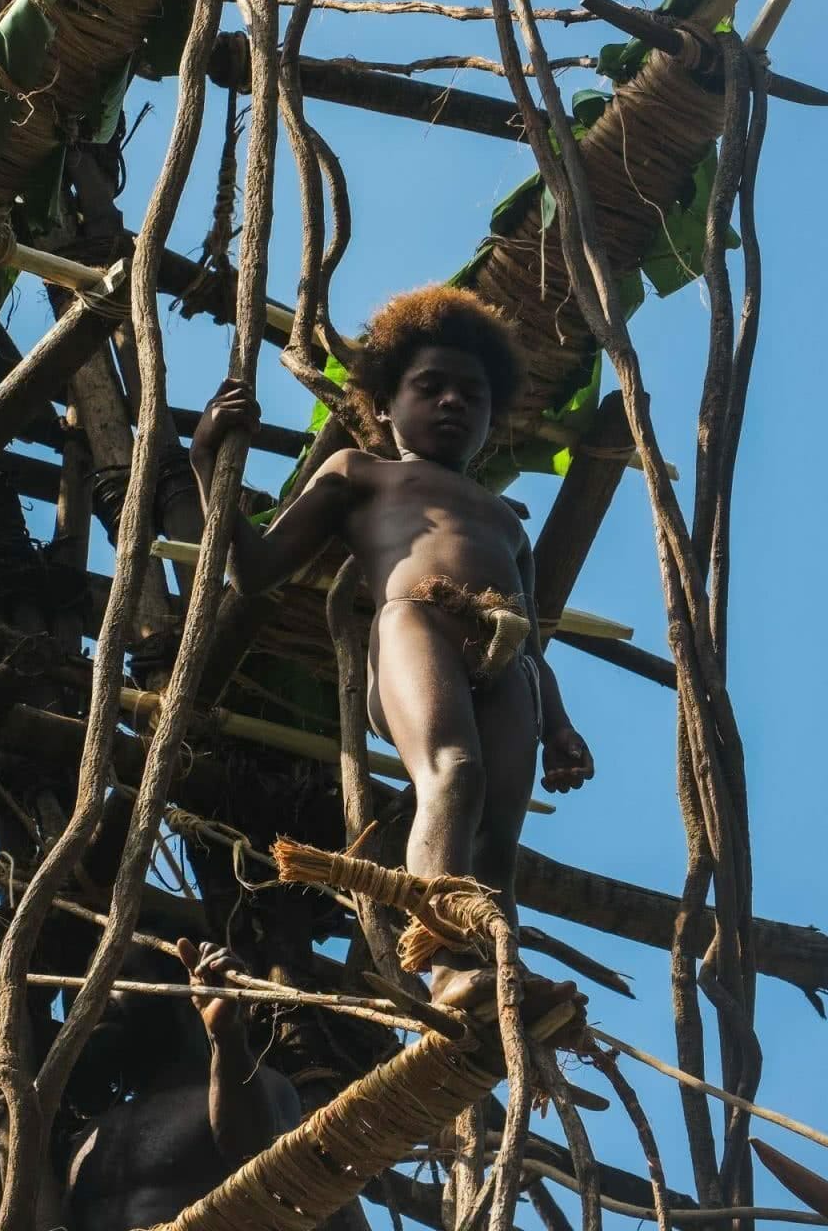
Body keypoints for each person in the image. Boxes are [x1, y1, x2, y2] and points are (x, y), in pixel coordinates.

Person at [190, 285, 594, 1010]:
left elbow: (533, 640)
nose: (451, 403)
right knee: (455, 773)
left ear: (492, 419)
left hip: (504, 653)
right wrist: (205, 461)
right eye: (429, 387)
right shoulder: (358, 474)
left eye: (471, 394)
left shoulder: (507, 521)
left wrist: (560, 724)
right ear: (382, 404)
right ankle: (445, 966)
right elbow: (254, 570)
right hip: (416, 627)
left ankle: (499, 969)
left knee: (500, 826)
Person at [64, 940, 300, 1230]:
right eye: (89, 987)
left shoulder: (261, 1084)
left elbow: (258, 1165)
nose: (97, 998)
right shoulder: (92, 1132)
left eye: (119, 977)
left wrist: (225, 1034)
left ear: (184, 991)